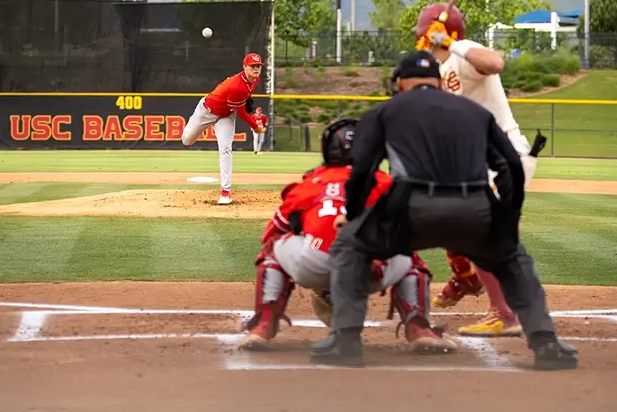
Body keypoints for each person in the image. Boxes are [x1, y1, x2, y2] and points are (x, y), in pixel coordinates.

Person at [310, 50, 577, 371]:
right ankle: (545, 343)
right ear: (437, 82)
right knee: (512, 258)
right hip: (475, 207)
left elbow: (362, 171)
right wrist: (506, 219)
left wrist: (354, 217)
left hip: (411, 209)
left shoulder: (386, 111)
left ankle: (346, 341)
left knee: (350, 246)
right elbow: (510, 167)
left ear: (401, 83)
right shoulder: (473, 111)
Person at [238, 118, 457, 354]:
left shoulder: (312, 182)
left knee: (273, 248)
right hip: (372, 270)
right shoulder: (384, 182)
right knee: (407, 252)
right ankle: (419, 329)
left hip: (314, 265)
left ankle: (263, 324)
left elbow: (274, 229)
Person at [415, 3, 547, 338]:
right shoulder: (433, 68)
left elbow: (496, 62)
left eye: (424, 32)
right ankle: (466, 278)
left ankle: (503, 313)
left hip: (503, 156)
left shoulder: (464, 53)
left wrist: (452, 42)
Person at [181, 53, 266, 204]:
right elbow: (243, 113)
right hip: (206, 111)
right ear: (244, 67)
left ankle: (225, 192)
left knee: (225, 149)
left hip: (226, 115)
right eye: (252, 66)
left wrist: (243, 99)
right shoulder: (236, 85)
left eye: (258, 66)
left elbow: (240, 104)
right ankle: (194, 123)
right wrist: (255, 127)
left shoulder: (255, 80)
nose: (256, 69)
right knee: (187, 141)